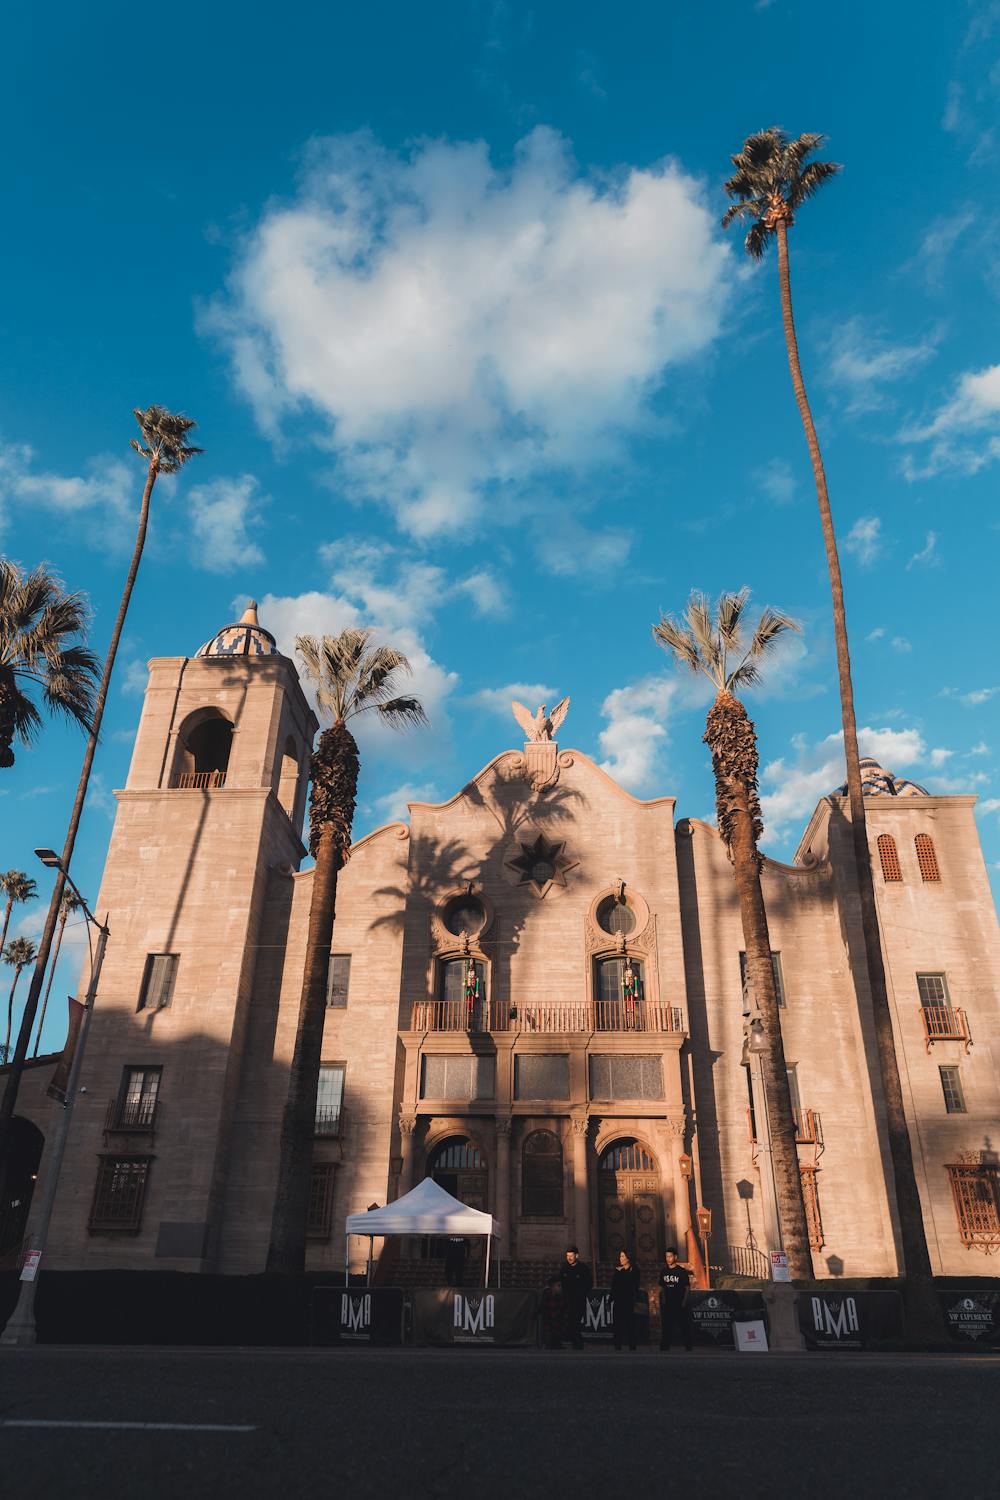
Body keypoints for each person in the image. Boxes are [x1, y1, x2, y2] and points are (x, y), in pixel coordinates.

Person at [657, 1245, 694, 1351]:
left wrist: (684, 1302)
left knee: (683, 1326)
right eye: (666, 1256)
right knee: (667, 1326)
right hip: (668, 1303)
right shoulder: (664, 1271)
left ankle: (688, 1346)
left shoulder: (681, 1271)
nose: (668, 1259)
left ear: (675, 1257)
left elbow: (687, 1288)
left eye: (670, 1256)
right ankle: (665, 1346)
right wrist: (663, 1299)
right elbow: (662, 1287)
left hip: (679, 1303)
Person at [559, 1245, 592, 1350]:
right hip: (567, 1300)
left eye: (571, 1256)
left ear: (576, 1256)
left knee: (576, 1321)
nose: (569, 1258)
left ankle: (577, 1343)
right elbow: (560, 1282)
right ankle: (576, 1342)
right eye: (567, 1255)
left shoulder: (583, 1268)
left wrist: (582, 1294)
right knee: (571, 1321)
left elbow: (589, 1283)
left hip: (579, 1300)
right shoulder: (564, 1268)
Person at [610, 1248, 642, 1351]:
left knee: (630, 1324)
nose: (621, 1258)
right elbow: (614, 1286)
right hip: (618, 1300)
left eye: (623, 1256)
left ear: (628, 1258)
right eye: (620, 1256)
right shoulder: (617, 1270)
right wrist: (610, 1299)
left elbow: (634, 1285)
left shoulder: (634, 1270)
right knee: (617, 1324)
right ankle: (617, 1345)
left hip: (628, 1300)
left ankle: (632, 1345)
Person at [539, 1277, 564, 1350]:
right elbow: (543, 1307)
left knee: (557, 1329)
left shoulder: (560, 1296)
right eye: (558, 1286)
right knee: (550, 1330)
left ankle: (556, 1343)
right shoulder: (547, 1295)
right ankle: (550, 1343)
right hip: (549, 1318)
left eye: (560, 1286)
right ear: (552, 1287)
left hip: (557, 1318)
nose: (560, 1288)